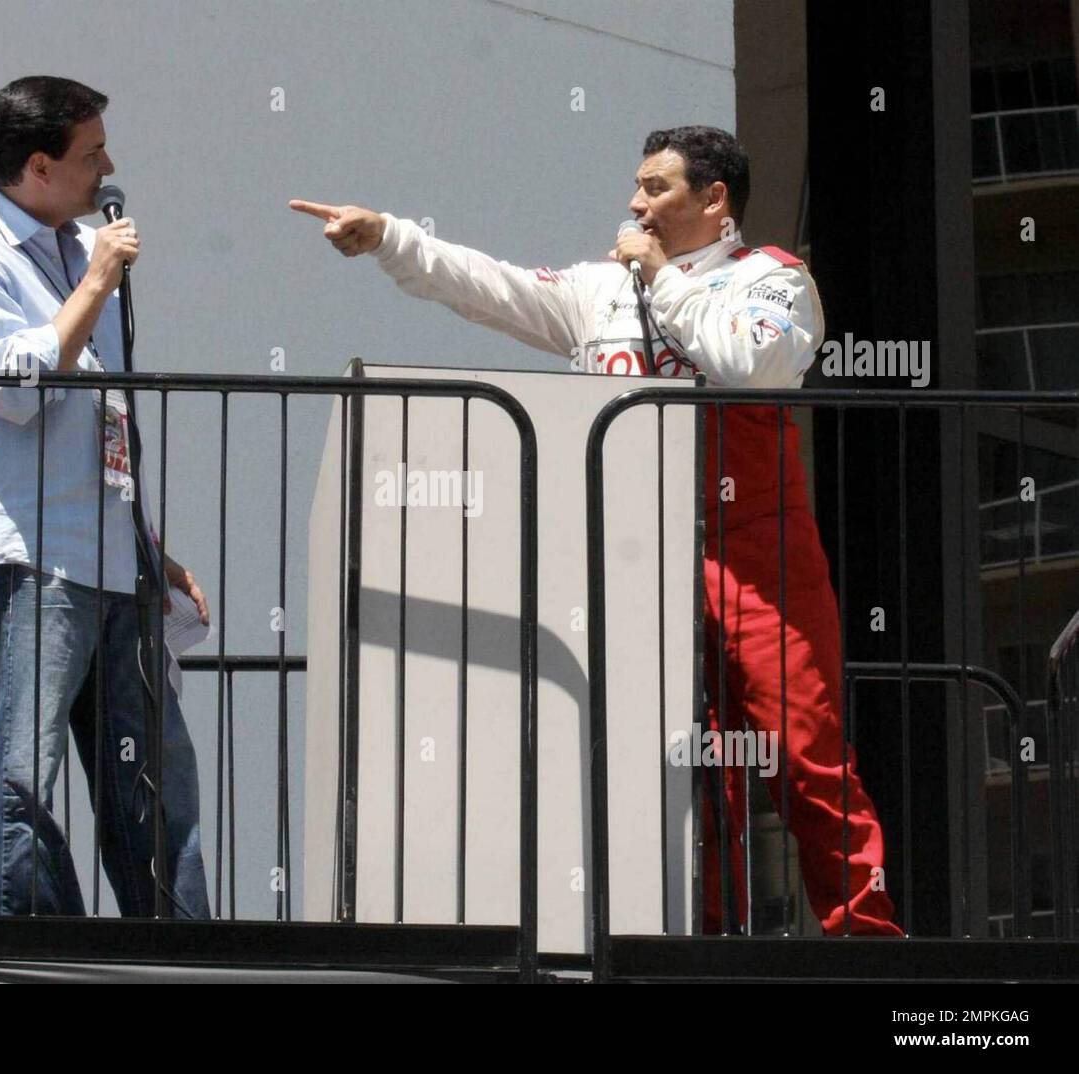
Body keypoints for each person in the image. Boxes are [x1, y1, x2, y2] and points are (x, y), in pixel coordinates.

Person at [290, 125, 903, 936]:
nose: (633, 203)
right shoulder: (599, 292)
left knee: (804, 748)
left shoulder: (772, 279)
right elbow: (490, 287)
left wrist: (665, 284)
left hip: (757, 552)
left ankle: (867, 938)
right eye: (637, 186)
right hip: (634, 556)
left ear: (714, 199)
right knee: (679, 764)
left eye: (655, 187)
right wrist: (390, 237)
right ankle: (700, 941)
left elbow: (752, 365)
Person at [0, 76, 211, 918]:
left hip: (113, 558)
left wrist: (148, 543)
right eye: (91, 155)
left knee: (154, 789)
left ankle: (184, 964)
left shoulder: (80, 247)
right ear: (39, 166)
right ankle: (41, 955)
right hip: (34, 559)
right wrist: (92, 287)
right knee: (22, 778)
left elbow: (103, 412)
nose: (109, 168)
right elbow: (15, 390)